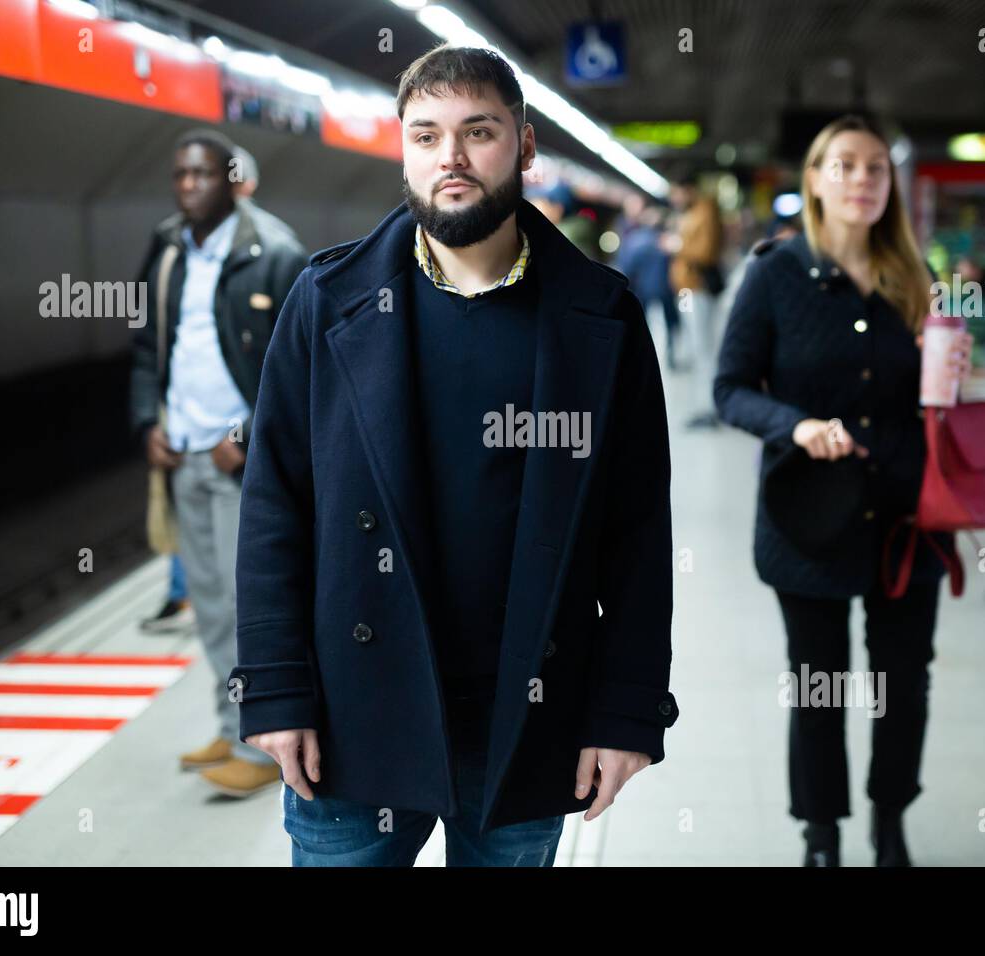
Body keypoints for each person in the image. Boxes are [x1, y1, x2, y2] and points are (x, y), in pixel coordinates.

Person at [227, 44, 678, 867]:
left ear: (526, 146)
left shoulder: (602, 319)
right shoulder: (327, 302)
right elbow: (274, 505)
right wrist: (275, 686)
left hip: (525, 718)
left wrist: (626, 711)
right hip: (350, 719)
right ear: (403, 147)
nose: (452, 159)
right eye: (426, 135)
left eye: (479, 131)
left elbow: (638, 535)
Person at [714, 115, 973, 866]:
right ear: (818, 180)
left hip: (906, 518)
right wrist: (794, 426)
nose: (862, 180)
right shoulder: (775, 275)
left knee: (904, 684)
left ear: (890, 187)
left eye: (876, 169)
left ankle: (890, 825)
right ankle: (821, 835)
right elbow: (731, 389)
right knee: (819, 685)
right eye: (846, 166)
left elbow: (936, 400)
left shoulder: (913, 278)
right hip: (811, 517)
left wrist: (948, 369)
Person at [130, 128, 308, 795]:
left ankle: (264, 747)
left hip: (241, 460)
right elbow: (150, 345)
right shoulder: (169, 247)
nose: (188, 187)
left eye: (202, 175)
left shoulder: (275, 252)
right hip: (183, 455)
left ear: (233, 179)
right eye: (180, 175)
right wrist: (149, 419)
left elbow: (301, 366)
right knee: (207, 601)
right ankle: (229, 724)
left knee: (250, 603)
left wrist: (252, 431)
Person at [666, 174, 725, 428]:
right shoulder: (694, 213)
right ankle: (704, 405)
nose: (674, 198)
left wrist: (677, 245)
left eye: (677, 192)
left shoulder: (705, 213)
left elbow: (705, 252)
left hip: (696, 289)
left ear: (688, 189)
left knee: (703, 348)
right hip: (687, 289)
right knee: (696, 346)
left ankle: (709, 407)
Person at [614, 194, 681, 369]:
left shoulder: (634, 240)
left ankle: (645, 357)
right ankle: (670, 357)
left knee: (644, 324)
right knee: (668, 323)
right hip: (666, 288)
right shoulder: (665, 240)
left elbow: (626, 266)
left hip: (643, 289)